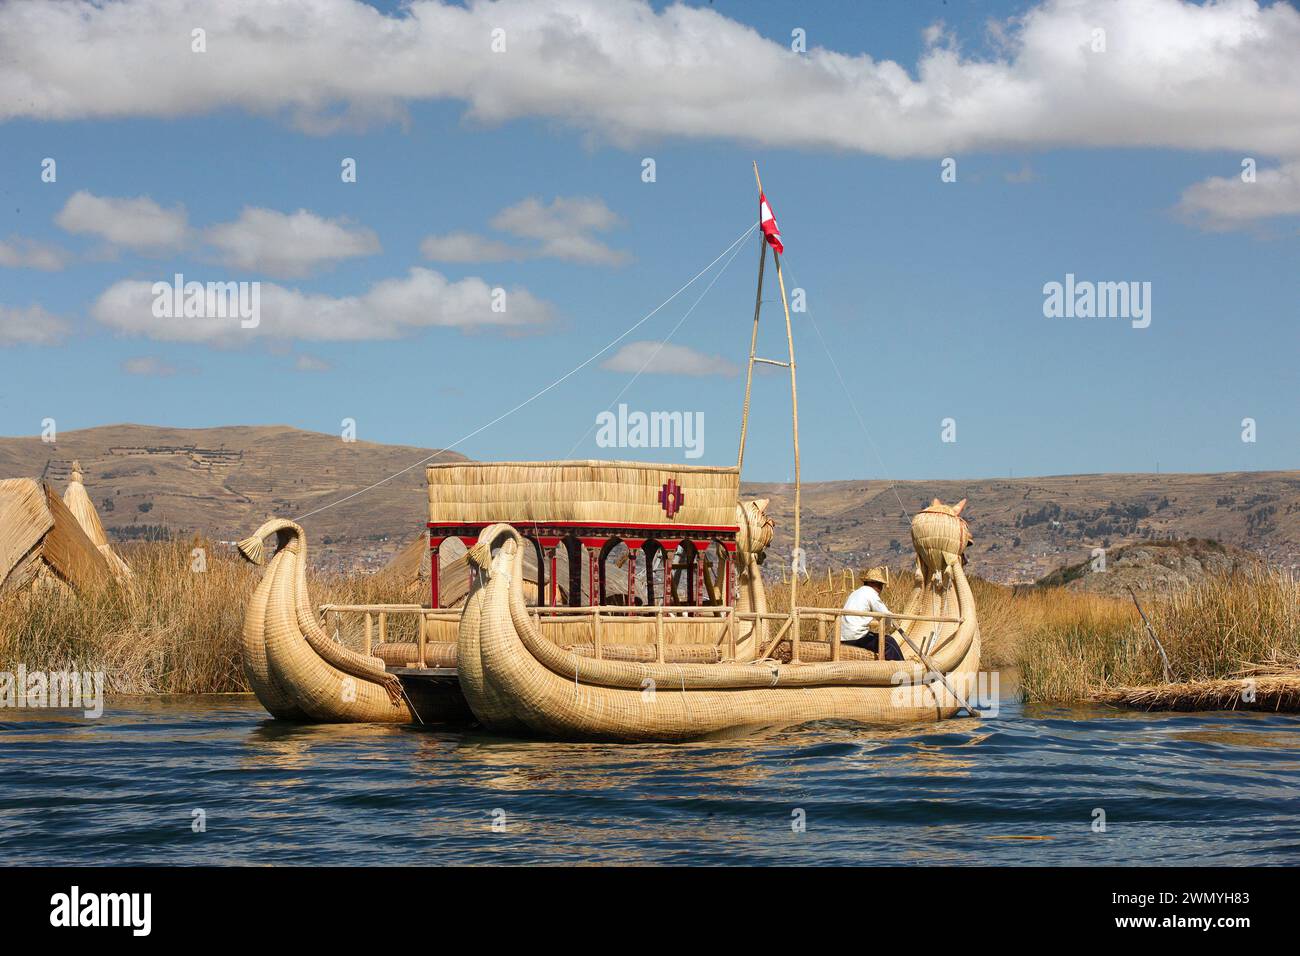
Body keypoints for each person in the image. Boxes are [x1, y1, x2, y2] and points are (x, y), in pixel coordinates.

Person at [840, 567, 903, 661]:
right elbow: (884, 614)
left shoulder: (855, 593)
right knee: (889, 642)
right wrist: (891, 624)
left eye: (881, 585)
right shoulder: (870, 593)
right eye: (879, 585)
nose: (880, 588)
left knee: (876, 637)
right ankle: (902, 667)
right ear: (871, 583)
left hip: (843, 637)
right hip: (856, 637)